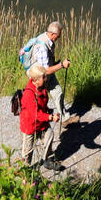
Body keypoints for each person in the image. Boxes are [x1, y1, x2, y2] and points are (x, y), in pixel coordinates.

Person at [30, 20, 76, 153]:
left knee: (59, 93)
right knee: (42, 101)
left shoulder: (48, 40)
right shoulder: (42, 47)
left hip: (47, 75)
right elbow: (45, 71)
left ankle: (64, 118)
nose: (59, 38)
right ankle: (41, 126)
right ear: (51, 34)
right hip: (41, 78)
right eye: (58, 36)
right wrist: (61, 65)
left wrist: (56, 63)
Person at [19, 64, 61, 171]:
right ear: (35, 80)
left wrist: (48, 110)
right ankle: (25, 169)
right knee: (28, 151)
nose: (46, 79)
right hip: (30, 125)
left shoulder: (41, 87)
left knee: (49, 136)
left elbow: (42, 105)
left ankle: (47, 160)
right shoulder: (29, 94)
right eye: (43, 77)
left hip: (42, 123)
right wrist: (50, 117)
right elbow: (36, 114)